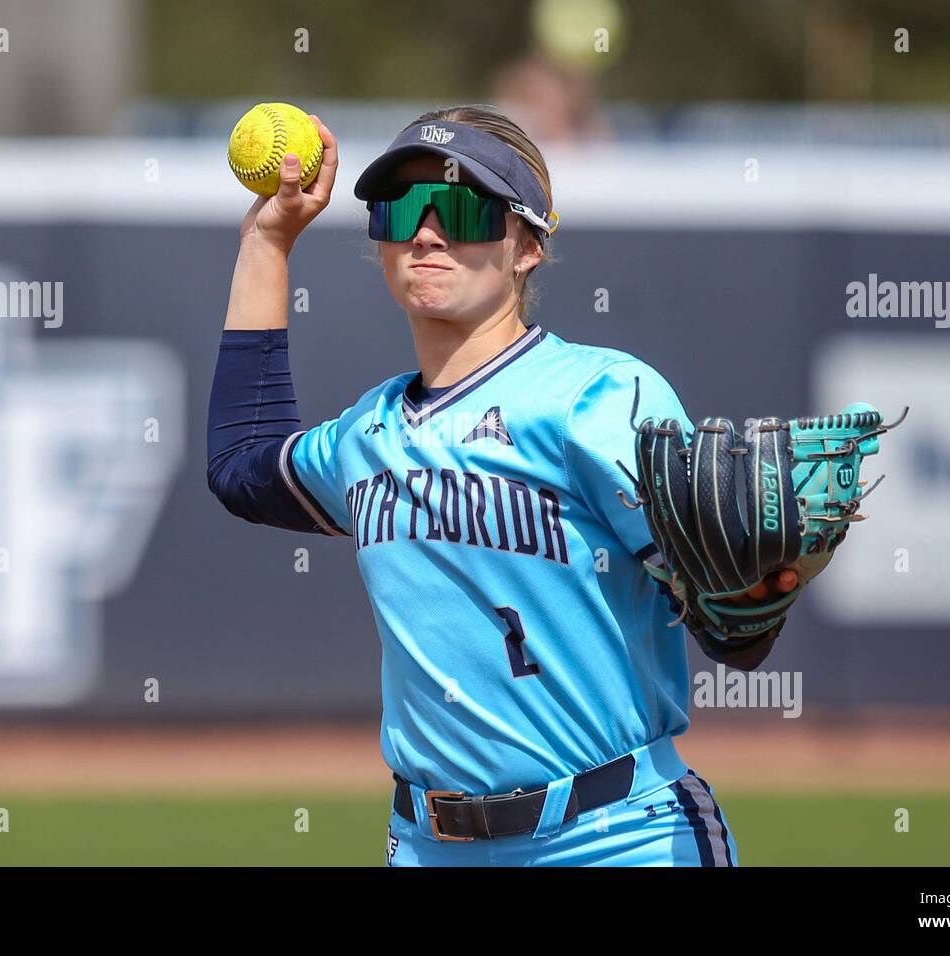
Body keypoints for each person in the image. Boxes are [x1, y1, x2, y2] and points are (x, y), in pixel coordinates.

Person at [206, 104, 795, 866]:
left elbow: (730, 632)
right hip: (428, 845)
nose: (426, 232)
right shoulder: (366, 434)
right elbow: (241, 462)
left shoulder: (598, 398)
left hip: (617, 835)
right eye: (401, 209)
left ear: (528, 245)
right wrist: (268, 239)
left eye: (460, 208)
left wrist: (752, 599)